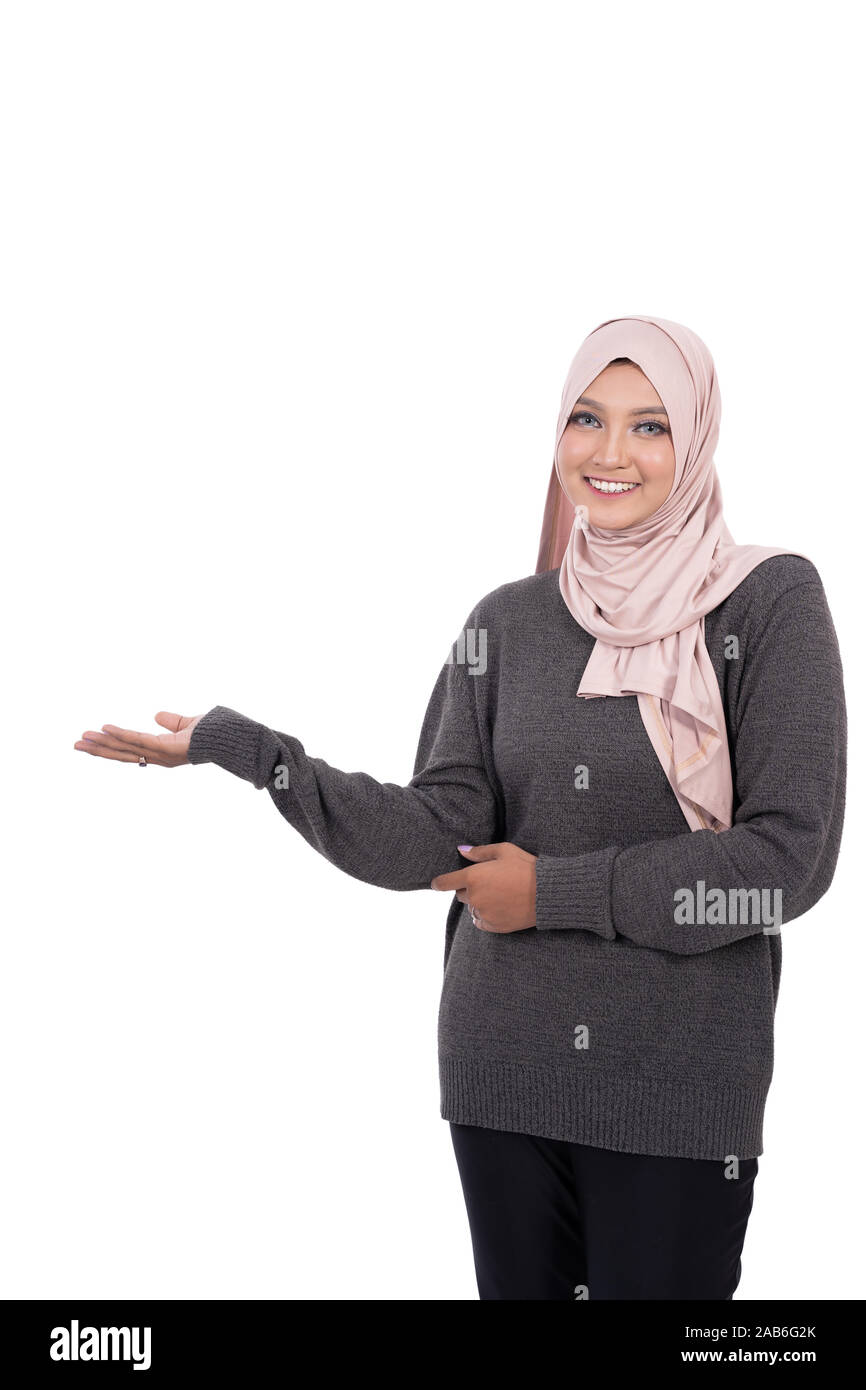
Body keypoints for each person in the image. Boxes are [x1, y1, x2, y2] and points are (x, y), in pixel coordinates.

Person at [74, 315, 847, 1300]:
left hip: (674, 1091)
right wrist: (251, 755)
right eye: (584, 419)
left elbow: (787, 862)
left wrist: (553, 892)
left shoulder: (764, 601)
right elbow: (430, 838)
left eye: (649, 426)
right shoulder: (507, 621)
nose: (608, 454)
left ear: (693, 439)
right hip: (500, 1075)